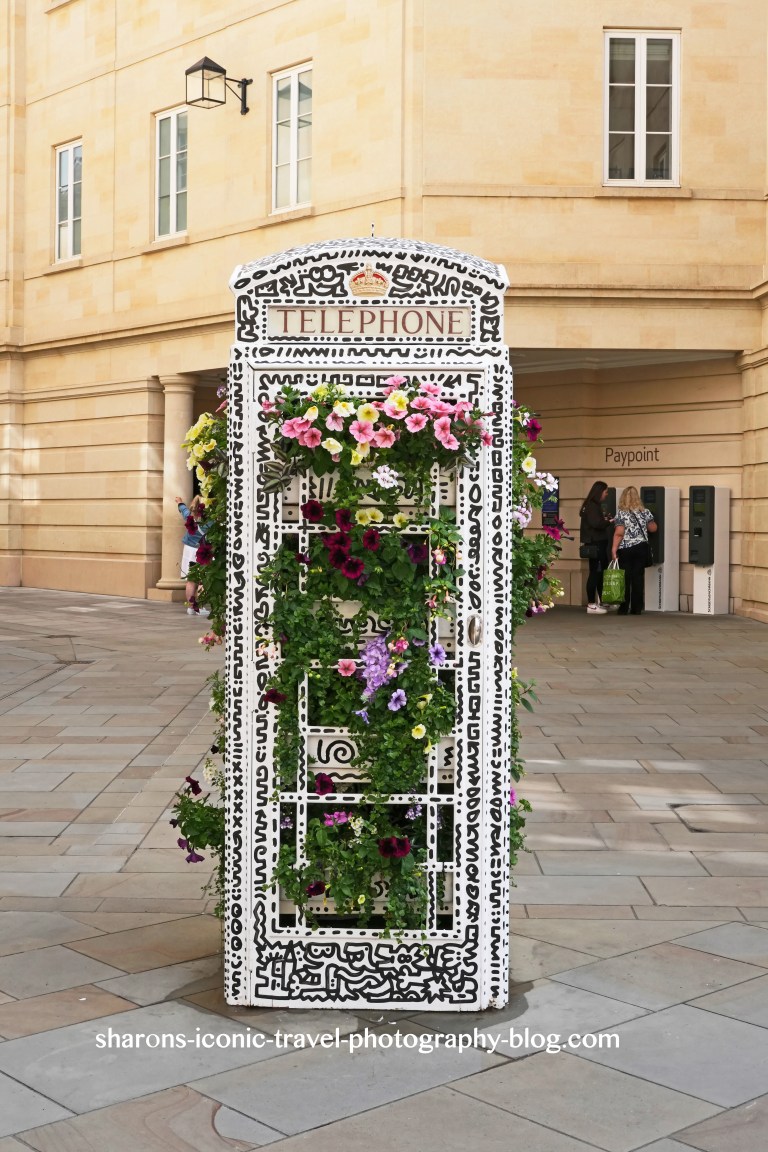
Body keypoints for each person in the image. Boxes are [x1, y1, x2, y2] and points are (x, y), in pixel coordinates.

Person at [611, 486, 657, 615]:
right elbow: (653, 528)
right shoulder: (645, 512)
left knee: (625, 578)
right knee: (638, 577)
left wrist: (614, 549)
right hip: (641, 548)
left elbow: (619, 533)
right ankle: (637, 608)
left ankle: (624, 608)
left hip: (626, 548)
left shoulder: (621, 513)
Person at [579, 481, 613, 614]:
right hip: (596, 544)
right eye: (605, 492)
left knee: (600, 573)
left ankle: (600, 602)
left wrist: (604, 519)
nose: (606, 494)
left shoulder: (591, 505)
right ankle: (591, 604)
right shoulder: (592, 506)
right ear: (599, 492)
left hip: (598, 543)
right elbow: (596, 523)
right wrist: (608, 522)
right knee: (595, 573)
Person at [176, 495, 209, 615]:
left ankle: (191, 607)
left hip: (189, 550)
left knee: (190, 580)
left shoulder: (190, 517)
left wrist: (179, 502)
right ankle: (199, 607)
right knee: (203, 580)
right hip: (203, 552)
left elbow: (183, 510)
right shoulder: (211, 520)